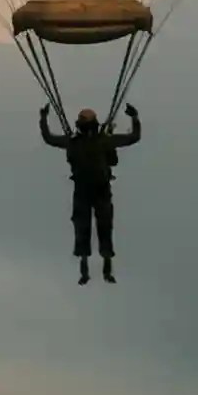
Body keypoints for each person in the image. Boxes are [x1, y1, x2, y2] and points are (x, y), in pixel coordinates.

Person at [40, 103, 141, 285]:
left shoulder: (98, 141)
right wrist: (43, 119)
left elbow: (133, 137)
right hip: (85, 192)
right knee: (83, 228)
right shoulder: (82, 141)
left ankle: (105, 264)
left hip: (97, 191)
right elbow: (49, 138)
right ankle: (86, 266)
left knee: (102, 226)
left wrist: (134, 118)